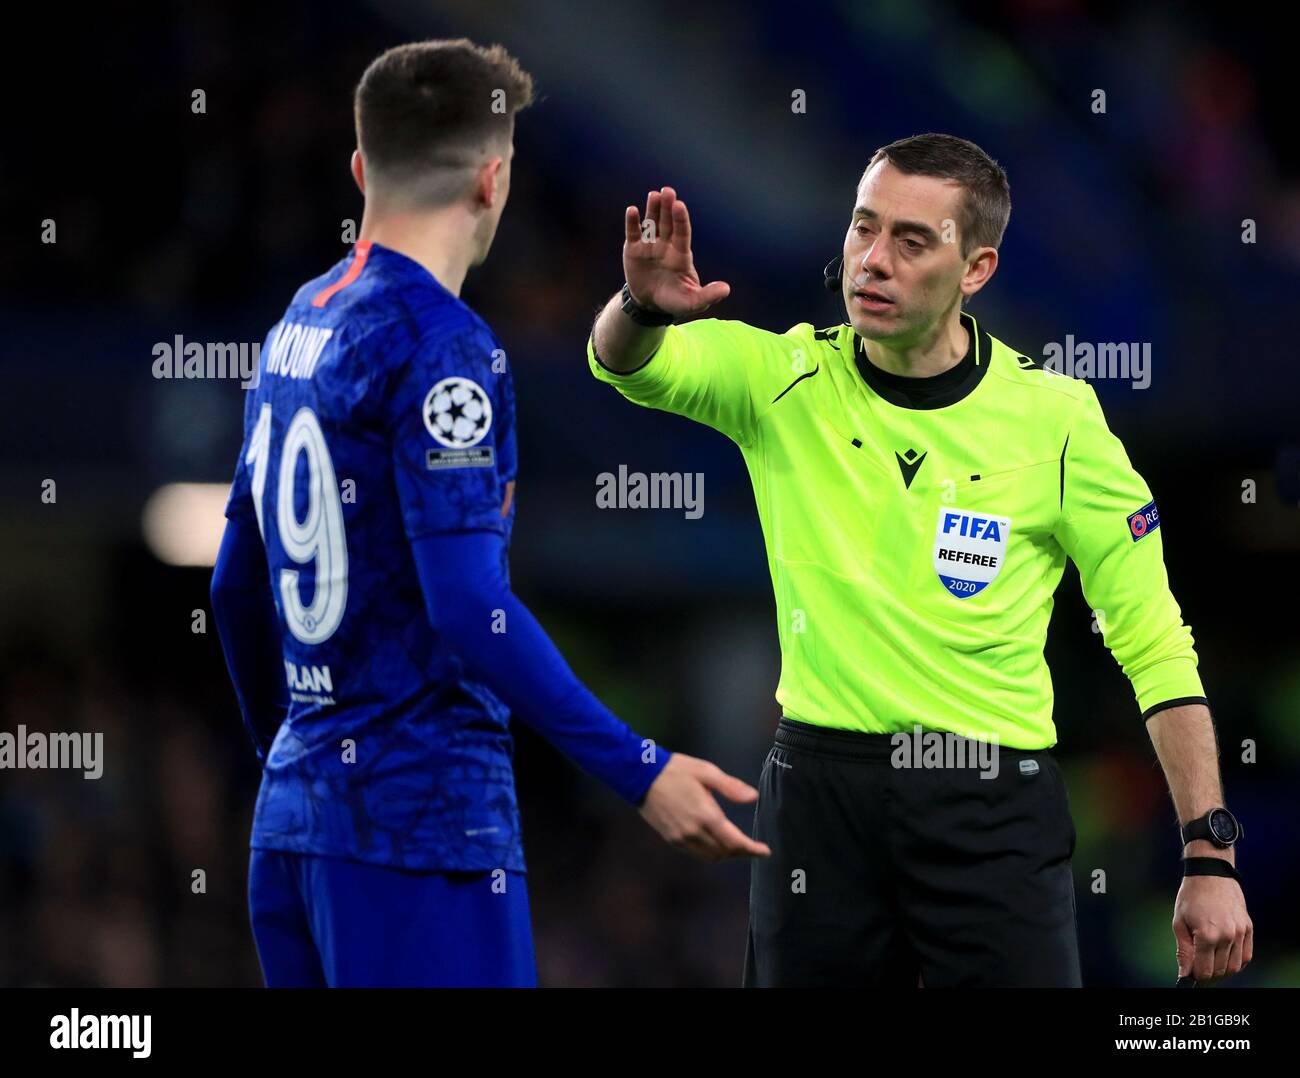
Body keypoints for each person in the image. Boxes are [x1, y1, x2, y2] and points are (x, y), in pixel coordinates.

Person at [586, 132, 1251, 987]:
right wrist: (640, 304)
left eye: (911, 241)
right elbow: (623, 366)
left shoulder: (1058, 422)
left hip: (990, 808)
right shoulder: (783, 377)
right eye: (864, 229)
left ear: (975, 269)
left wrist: (1209, 854)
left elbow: (1155, 643)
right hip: (819, 800)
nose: (873, 260)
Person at [210, 38, 768, 989]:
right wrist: (639, 767)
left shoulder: (297, 324)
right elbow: (469, 606)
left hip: (296, 831)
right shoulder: (445, 347)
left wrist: (297, 770)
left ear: (360, 167)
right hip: (423, 831)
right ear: (494, 179)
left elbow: (234, 584)